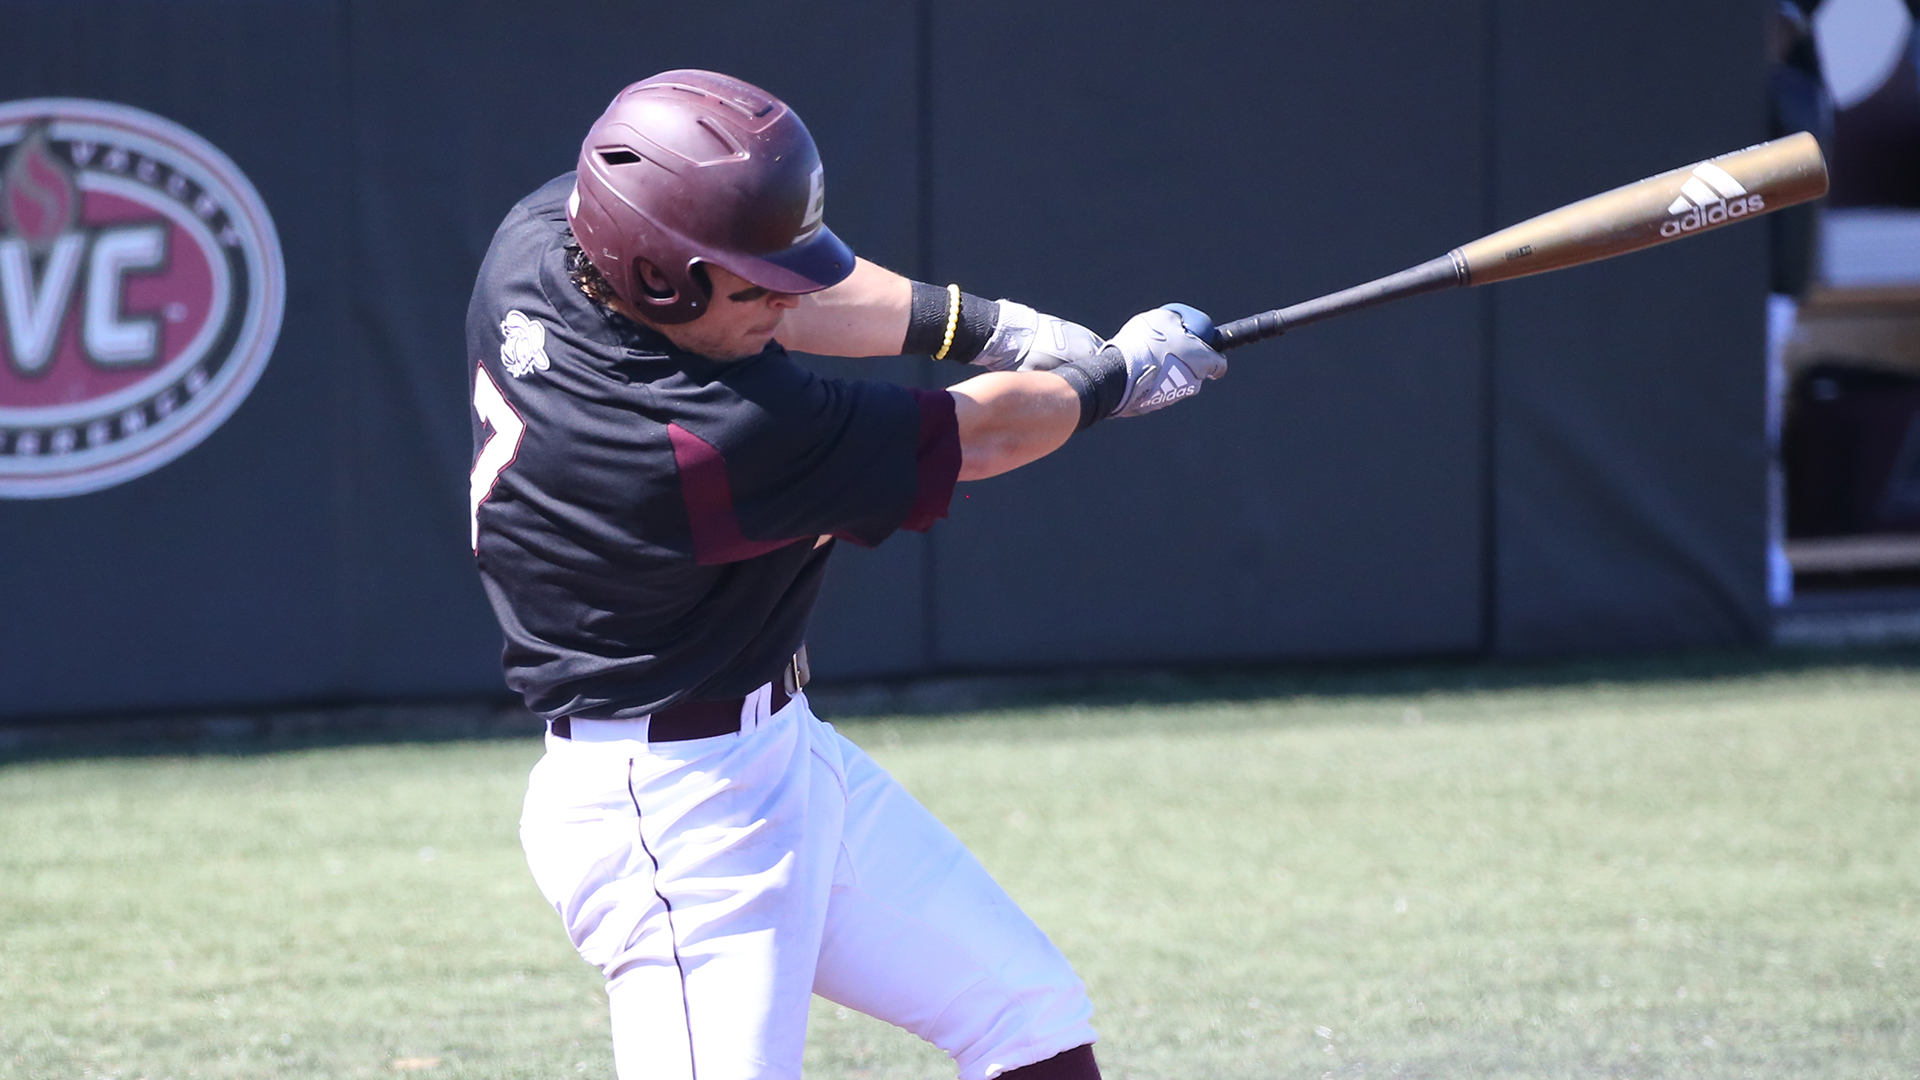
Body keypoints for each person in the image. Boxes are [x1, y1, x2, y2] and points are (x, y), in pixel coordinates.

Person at [466, 69, 1227, 1080]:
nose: (785, 299)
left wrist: (993, 325)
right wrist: (1112, 380)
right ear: (660, 278)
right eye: (756, 283)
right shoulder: (716, 441)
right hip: (677, 818)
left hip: (779, 754)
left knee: (1029, 1017)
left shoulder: (546, 239)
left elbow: (800, 298)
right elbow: (988, 432)